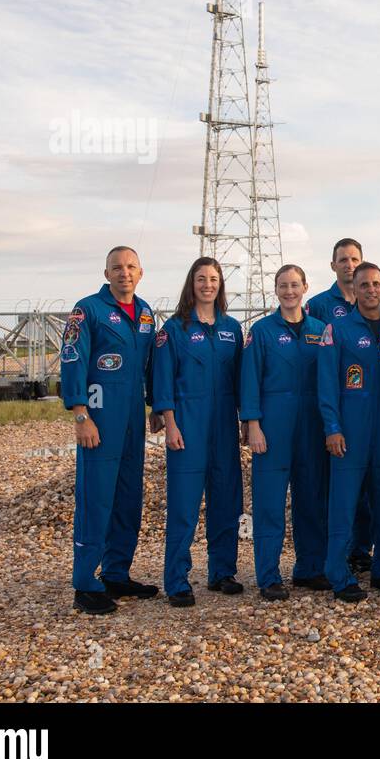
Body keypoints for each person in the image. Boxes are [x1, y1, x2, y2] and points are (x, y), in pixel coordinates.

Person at [61, 246, 160, 614]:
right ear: (106, 274)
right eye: (117, 267)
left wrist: (156, 405)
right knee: (96, 497)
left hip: (133, 417)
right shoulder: (87, 310)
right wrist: (80, 414)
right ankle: (85, 583)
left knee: (128, 497)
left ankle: (117, 573)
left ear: (141, 272)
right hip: (99, 417)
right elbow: (72, 359)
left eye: (131, 266)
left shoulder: (147, 314)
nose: (124, 273)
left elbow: (152, 363)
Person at [151, 257, 244, 607]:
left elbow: (241, 381)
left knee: (226, 500)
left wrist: (246, 421)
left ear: (221, 285)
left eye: (214, 279)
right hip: (187, 425)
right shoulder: (173, 330)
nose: (208, 284)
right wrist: (170, 423)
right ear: (191, 283)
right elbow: (163, 380)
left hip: (223, 426)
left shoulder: (231, 329)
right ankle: (176, 580)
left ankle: (222, 572)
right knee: (184, 506)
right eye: (201, 278)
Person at [239, 264, 329, 601]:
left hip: (312, 423)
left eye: (295, 285)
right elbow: (249, 379)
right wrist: (252, 424)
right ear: (275, 290)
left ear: (305, 287)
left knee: (311, 499)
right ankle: (268, 575)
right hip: (273, 424)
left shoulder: (321, 330)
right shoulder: (261, 331)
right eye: (283, 285)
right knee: (269, 503)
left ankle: (309, 568)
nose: (289, 291)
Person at [318, 262, 380, 602]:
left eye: (376, 284)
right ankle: (339, 574)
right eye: (364, 284)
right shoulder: (337, 330)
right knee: (344, 504)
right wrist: (332, 428)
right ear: (353, 289)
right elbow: (326, 386)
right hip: (349, 433)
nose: (371, 290)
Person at [305, 237, 372, 574]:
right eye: (343, 260)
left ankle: (361, 549)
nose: (348, 264)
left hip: (364, 415)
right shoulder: (318, 306)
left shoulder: (371, 304)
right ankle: (330, 553)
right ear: (333, 266)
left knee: (366, 491)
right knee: (333, 486)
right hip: (330, 412)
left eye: (354, 259)